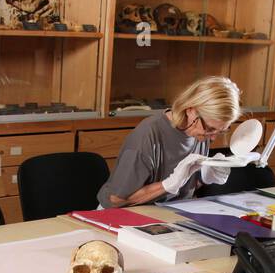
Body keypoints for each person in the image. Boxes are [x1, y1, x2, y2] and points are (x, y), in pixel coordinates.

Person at [97, 76, 241, 207]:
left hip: (165, 213)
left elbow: (182, 190)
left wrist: (205, 177)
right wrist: (167, 184)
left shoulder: (201, 132)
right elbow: (115, 200)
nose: (213, 137)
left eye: (221, 130)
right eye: (210, 128)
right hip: (117, 215)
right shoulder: (148, 135)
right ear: (191, 110)